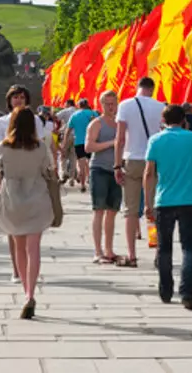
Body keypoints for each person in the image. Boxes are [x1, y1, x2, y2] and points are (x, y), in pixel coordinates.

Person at [146, 104, 192, 310]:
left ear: (163, 121)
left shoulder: (155, 140)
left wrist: (147, 202)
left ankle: (165, 289)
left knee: (164, 247)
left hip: (164, 200)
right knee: (189, 248)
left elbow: (149, 174)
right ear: (184, 120)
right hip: (189, 199)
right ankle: (187, 293)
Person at [0, 106, 54, 320]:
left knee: (18, 247)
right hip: (36, 195)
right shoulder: (39, 147)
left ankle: (26, 293)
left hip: (13, 198)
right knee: (33, 248)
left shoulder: (4, 146)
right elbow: (49, 168)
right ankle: (31, 291)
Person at [113, 77, 166, 268]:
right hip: (153, 160)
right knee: (153, 207)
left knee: (130, 209)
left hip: (132, 158)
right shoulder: (160, 106)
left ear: (138, 87)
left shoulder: (126, 105)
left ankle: (132, 255)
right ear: (152, 89)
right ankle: (157, 248)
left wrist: (117, 165)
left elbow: (119, 138)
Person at [86, 90, 122, 263]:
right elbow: (88, 147)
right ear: (101, 105)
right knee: (99, 210)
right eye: (107, 103)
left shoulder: (121, 123)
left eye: (113, 103)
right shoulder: (96, 123)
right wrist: (111, 143)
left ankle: (109, 249)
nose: (110, 107)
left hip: (117, 170)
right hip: (99, 169)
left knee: (112, 211)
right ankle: (97, 250)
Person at [68, 99, 97, 193]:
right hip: (91, 141)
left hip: (79, 142)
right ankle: (91, 180)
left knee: (81, 164)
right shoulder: (93, 114)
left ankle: (82, 184)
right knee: (90, 163)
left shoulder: (74, 115)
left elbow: (68, 131)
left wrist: (64, 143)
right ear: (87, 104)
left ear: (78, 105)